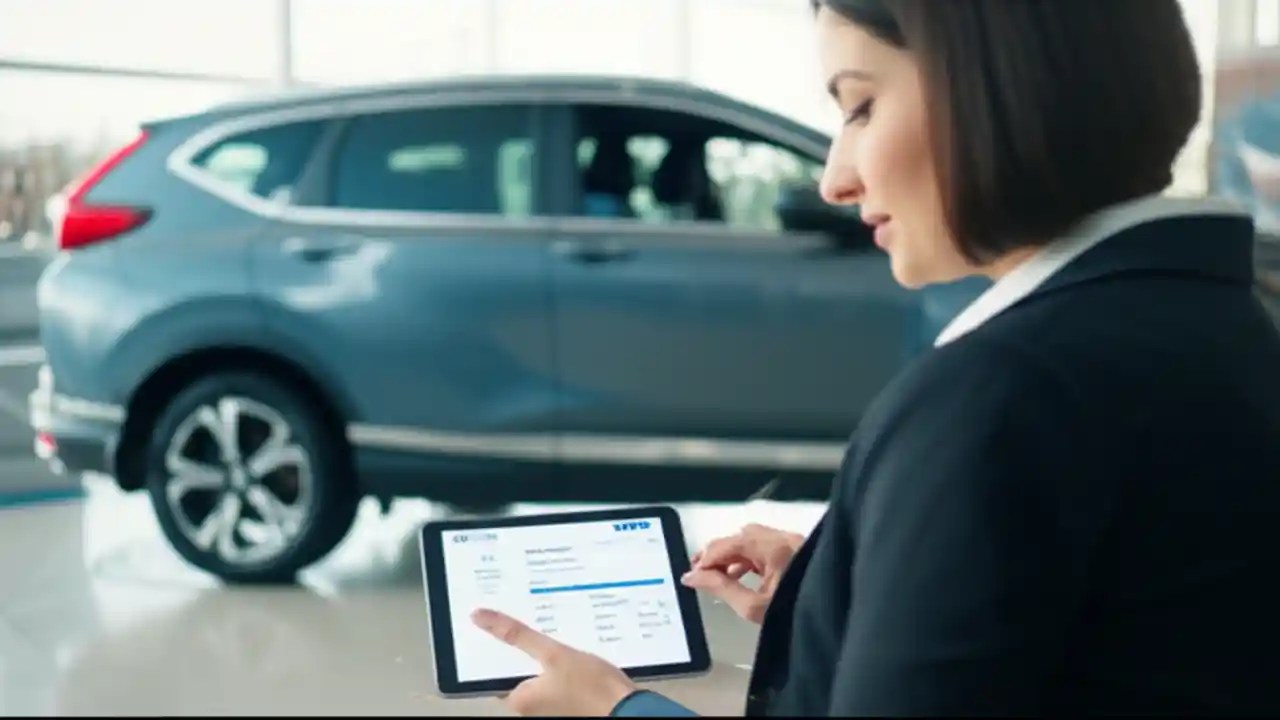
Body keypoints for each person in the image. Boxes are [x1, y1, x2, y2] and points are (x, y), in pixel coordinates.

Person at [471, 0, 1280, 715]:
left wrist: (620, 711)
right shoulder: (1219, 321)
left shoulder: (998, 395)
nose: (834, 179)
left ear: (997, 86)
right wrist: (838, 596)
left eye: (859, 107)